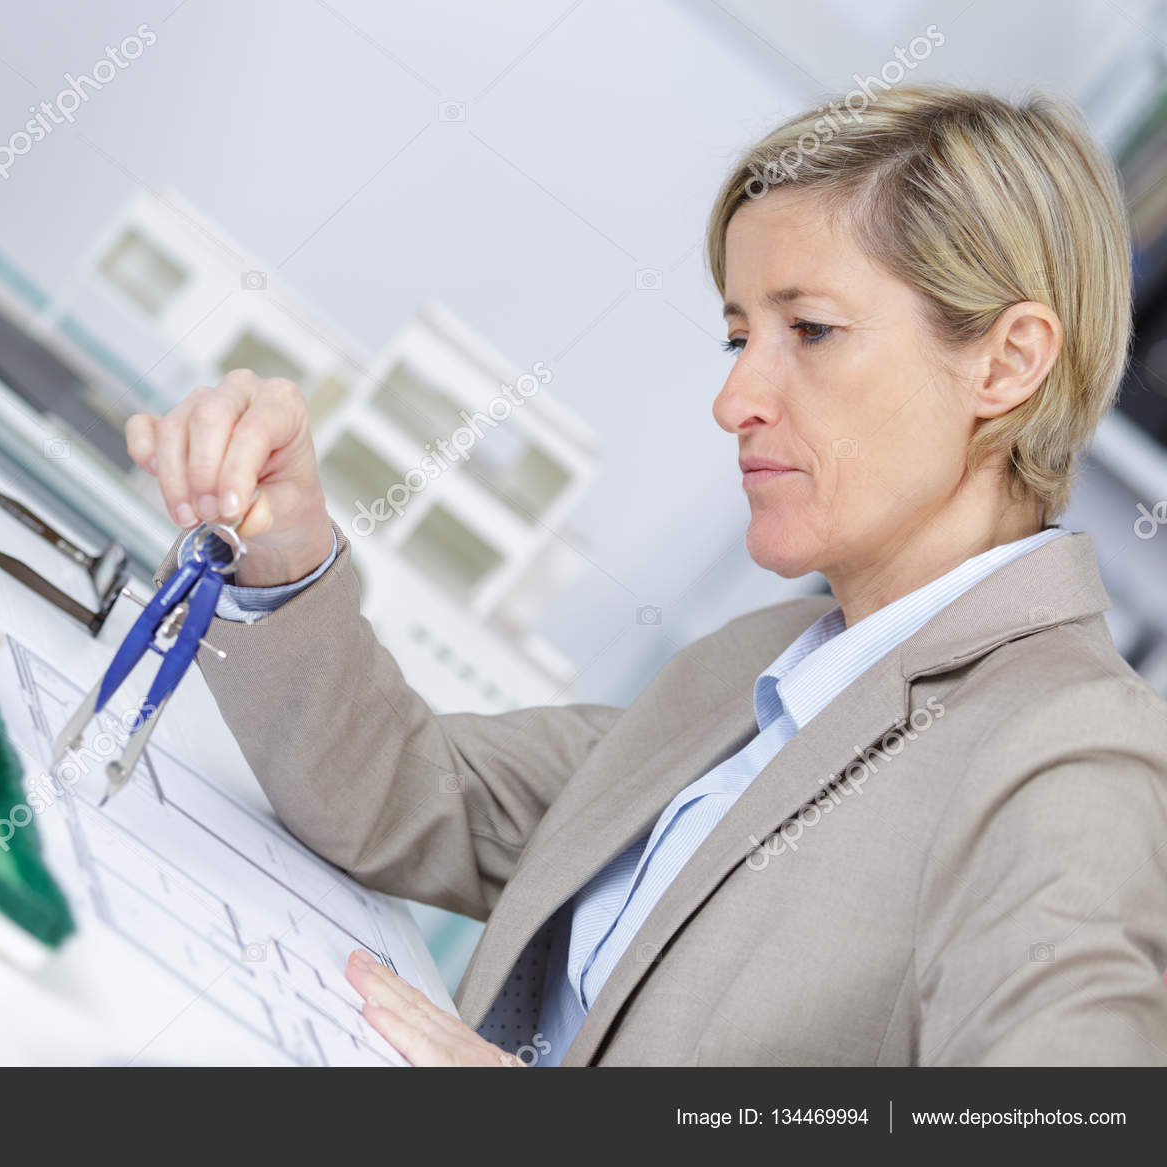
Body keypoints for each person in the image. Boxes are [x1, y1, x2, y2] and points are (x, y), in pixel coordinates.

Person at [123, 85, 1167, 1065]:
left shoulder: (1076, 751)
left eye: (810, 331)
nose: (736, 400)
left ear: (1007, 361)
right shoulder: (755, 669)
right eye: (736, 337)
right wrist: (281, 542)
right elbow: (408, 797)